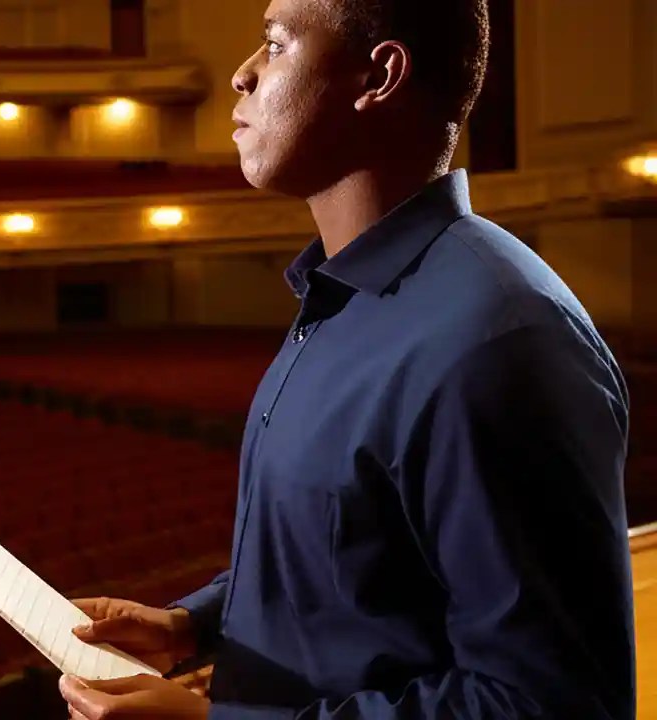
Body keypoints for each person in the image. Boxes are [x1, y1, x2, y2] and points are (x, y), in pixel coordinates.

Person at [58, 0, 637, 717]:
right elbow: (349, 558)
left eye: (275, 44)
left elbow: (546, 703)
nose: (241, 74)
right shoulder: (340, 295)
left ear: (379, 76)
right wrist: (193, 624)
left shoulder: (499, 341)